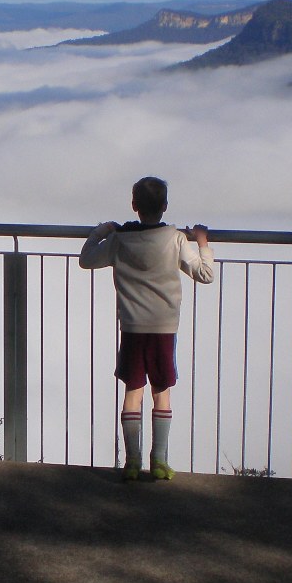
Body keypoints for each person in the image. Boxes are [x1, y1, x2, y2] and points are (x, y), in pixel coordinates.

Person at [79, 176, 214, 481]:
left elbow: (86, 260)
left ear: (133, 206)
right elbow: (205, 274)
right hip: (164, 326)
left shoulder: (119, 240)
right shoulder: (176, 239)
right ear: (165, 206)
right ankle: (160, 460)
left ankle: (131, 462)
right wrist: (202, 242)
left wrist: (101, 231)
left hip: (132, 326)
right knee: (161, 391)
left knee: (133, 390)